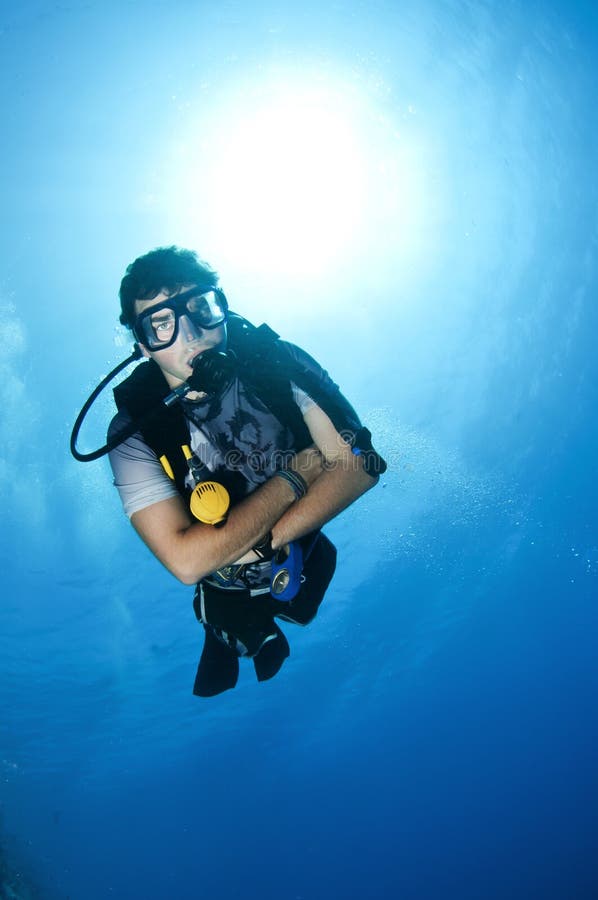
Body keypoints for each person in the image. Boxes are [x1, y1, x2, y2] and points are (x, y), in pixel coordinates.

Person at [107, 246, 386, 696]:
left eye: (200, 307)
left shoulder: (276, 362)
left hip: (305, 555)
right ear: (142, 346)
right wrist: (303, 470)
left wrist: (248, 544)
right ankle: (230, 637)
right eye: (161, 324)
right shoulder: (133, 430)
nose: (191, 333)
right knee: (235, 629)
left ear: (222, 304)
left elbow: (364, 465)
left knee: (303, 605)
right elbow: (186, 562)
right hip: (226, 588)